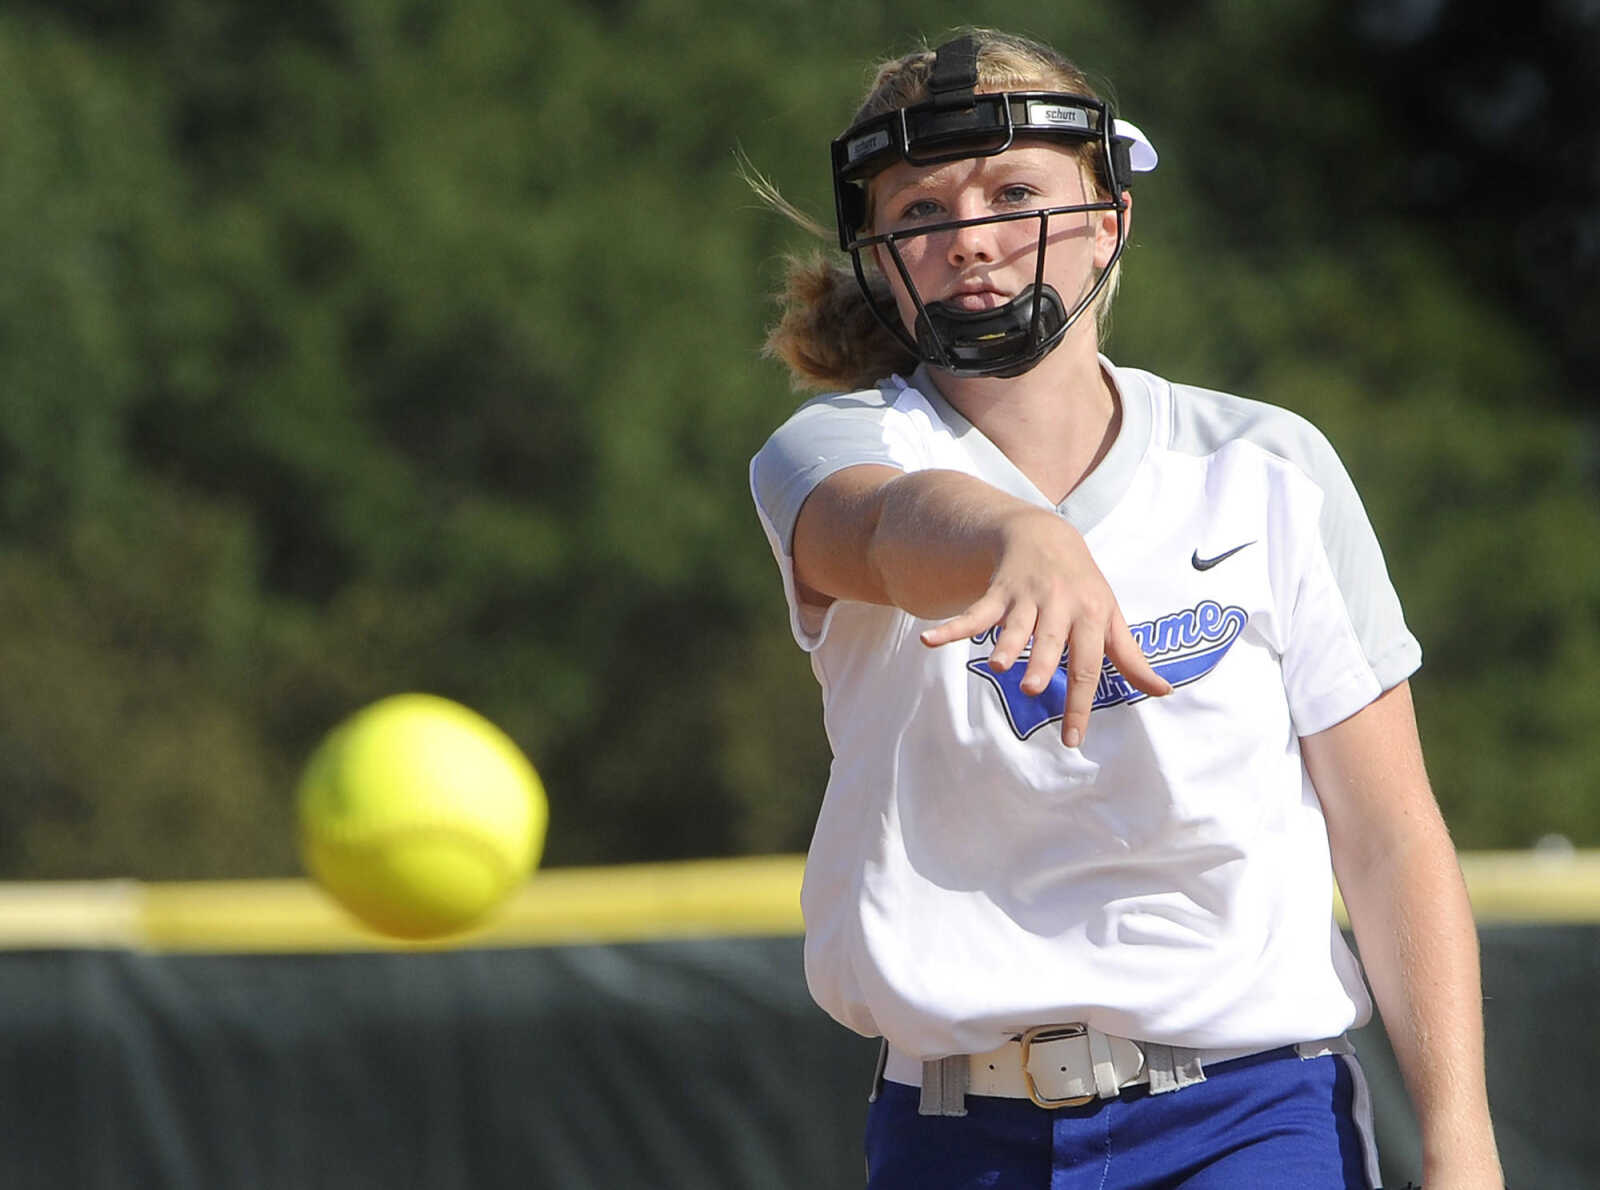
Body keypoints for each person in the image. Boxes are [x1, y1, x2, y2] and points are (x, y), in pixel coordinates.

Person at [746, 27, 1504, 1190]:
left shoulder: (1265, 466)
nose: (969, 237)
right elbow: (886, 531)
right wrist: (1015, 532)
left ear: (1109, 218)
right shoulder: (833, 449)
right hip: (956, 1133)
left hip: (1249, 1112)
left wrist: (1462, 1143)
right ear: (883, 259)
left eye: (1013, 193)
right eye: (920, 209)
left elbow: (1389, 833)